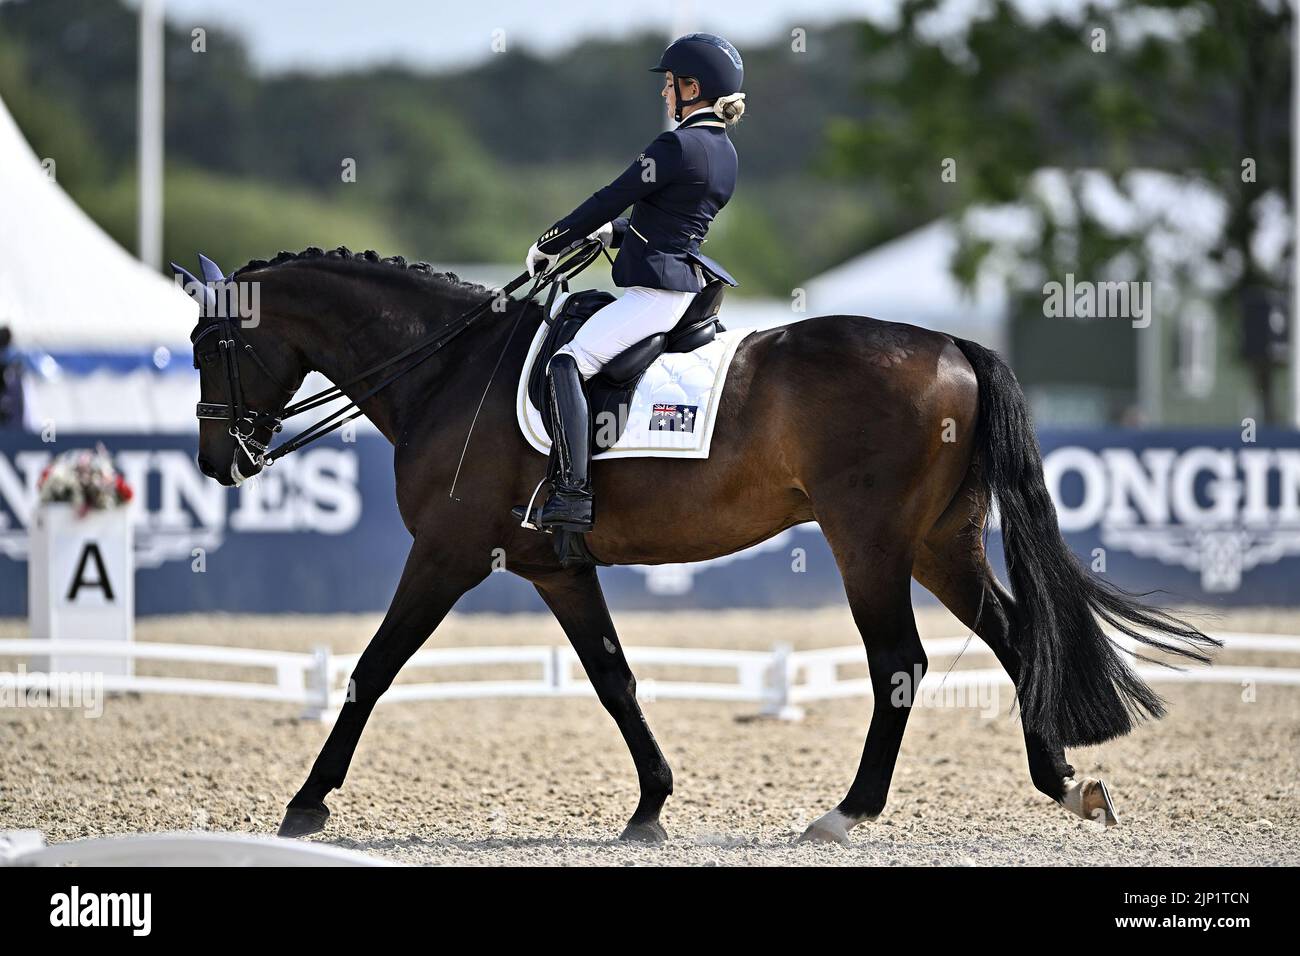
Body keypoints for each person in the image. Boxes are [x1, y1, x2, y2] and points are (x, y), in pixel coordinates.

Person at [522, 33, 746, 533]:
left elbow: (611, 195)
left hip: (657, 293)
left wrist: (550, 241)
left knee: (567, 361)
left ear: (693, 87)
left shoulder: (677, 144)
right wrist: (615, 233)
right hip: (680, 284)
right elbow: (676, 218)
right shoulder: (722, 151)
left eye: (670, 85)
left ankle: (571, 494)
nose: (664, 94)